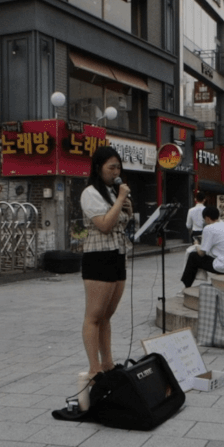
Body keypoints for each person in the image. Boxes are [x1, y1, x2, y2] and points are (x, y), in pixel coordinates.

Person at [77, 146, 132, 383]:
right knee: (94, 315)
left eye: (118, 167)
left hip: (118, 253)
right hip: (98, 255)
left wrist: (125, 204)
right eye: (111, 167)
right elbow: (105, 225)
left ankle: (108, 364)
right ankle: (94, 368)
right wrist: (120, 199)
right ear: (98, 168)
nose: (116, 172)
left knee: (107, 316)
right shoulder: (90, 193)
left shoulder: (112, 192)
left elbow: (121, 221)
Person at [180, 205, 224, 287]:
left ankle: (186, 286)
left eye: (204, 219)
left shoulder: (208, 228)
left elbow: (201, 253)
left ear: (207, 218)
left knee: (193, 256)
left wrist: (196, 244)